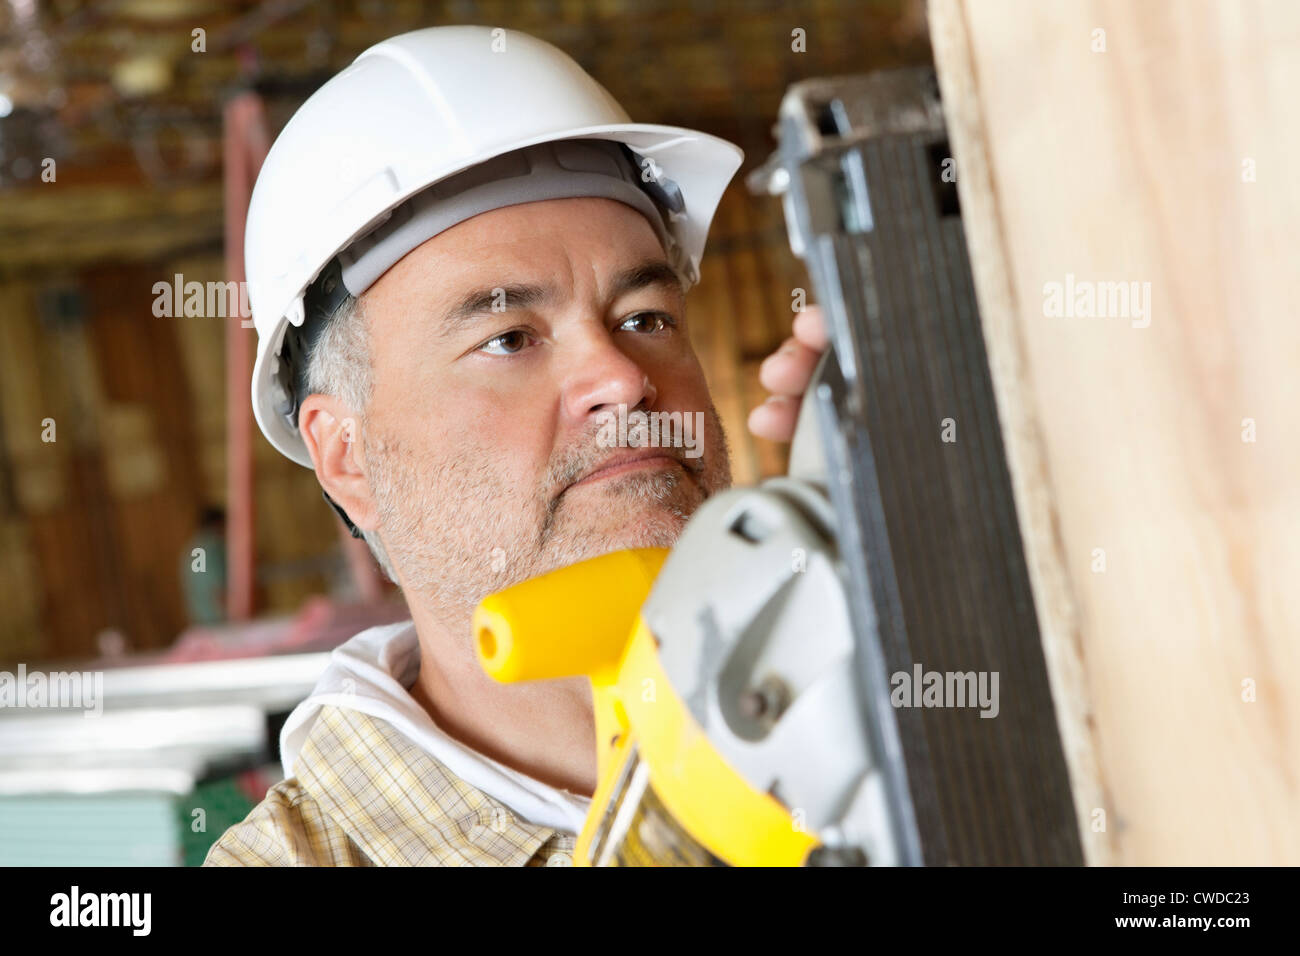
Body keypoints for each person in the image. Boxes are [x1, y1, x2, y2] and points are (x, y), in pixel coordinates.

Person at [205, 25, 826, 867]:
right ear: (349, 458)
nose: (619, 376)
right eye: (509, 338)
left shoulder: (865, 681)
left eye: (644, 319)